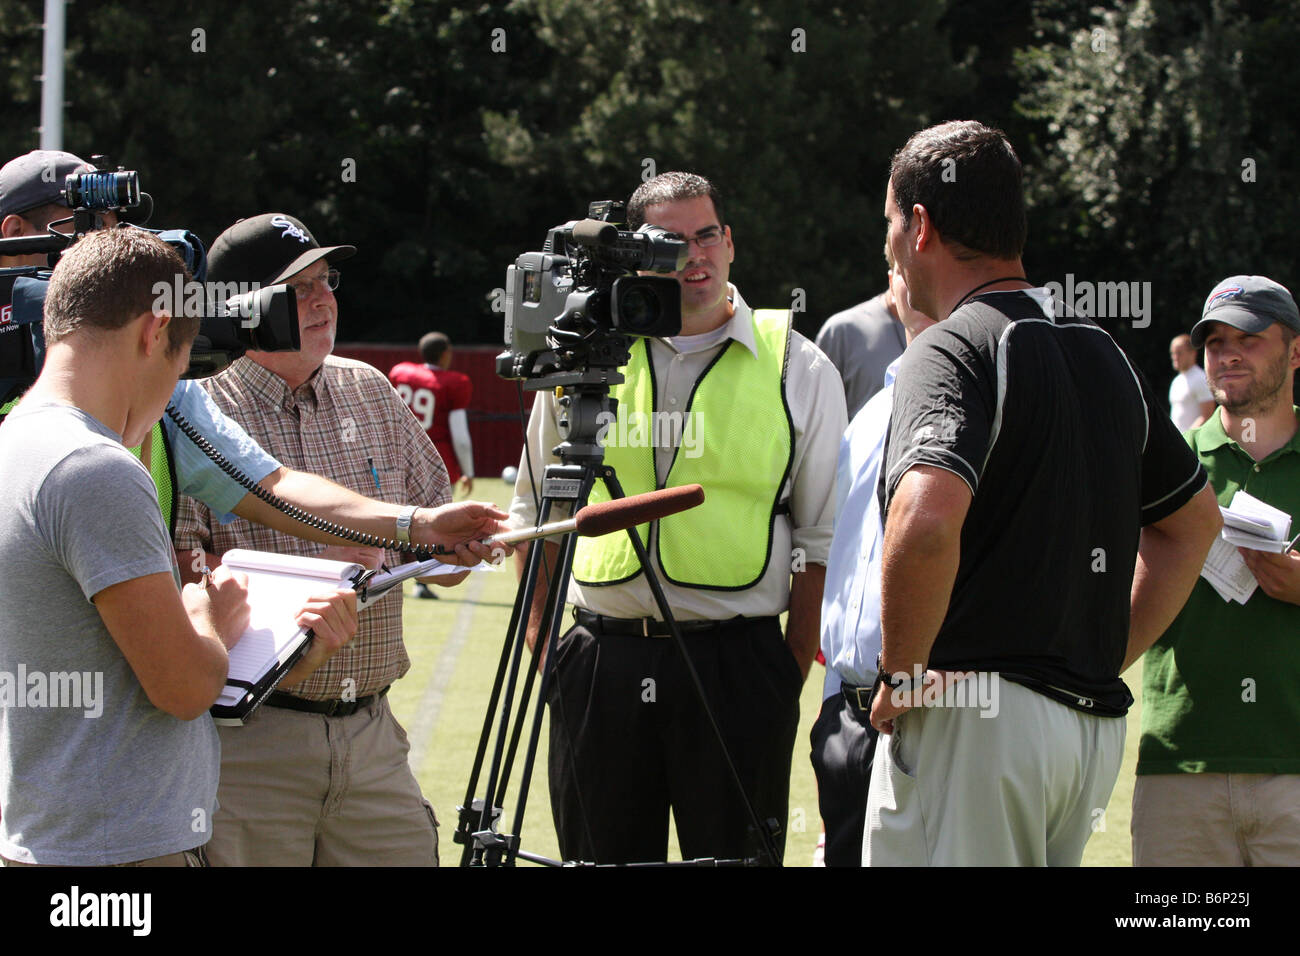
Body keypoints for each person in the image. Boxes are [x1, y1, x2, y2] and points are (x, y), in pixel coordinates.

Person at [864, 120, 1222, 866]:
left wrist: (901, 671)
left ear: (921, 227)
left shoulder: (952, 345)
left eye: (892, 223)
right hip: (1084, 738)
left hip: (975, 725)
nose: (889, 244)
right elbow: (1193, 523)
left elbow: (926, 521)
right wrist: (1103, 651)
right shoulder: (1106, 353)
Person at [510, 171, 845, 864]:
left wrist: (786, 668)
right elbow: (535, 506)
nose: (694, 255)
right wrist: (546, 649)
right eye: (670, 242)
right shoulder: (583, 357)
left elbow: (821, 537)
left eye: (707, 235)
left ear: (731, 244)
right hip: (600, 658)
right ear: (635, 257)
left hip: (737, 664)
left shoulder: (799, 367)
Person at [0, 228, 356, 866]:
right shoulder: (94, 467)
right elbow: (186, 688)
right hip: (119, 851)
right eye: (181, 361)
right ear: (153, 331)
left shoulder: (16, 439)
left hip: (49, 833)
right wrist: (208, 617)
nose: (175, 390)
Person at [173, 212, 508, 866]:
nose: (324, 298)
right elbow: (182, 578)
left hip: (373, 737)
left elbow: (432, 540)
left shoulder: (371, 390)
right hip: (250, 749)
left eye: (327, 280)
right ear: (245, 309)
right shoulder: (193, 409)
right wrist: (312, 574)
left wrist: (451, 554)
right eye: (299, 287)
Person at [1, 148, 501, 557]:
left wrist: (418, 525)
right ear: (15, 234)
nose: (97, 254)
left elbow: (275, 486)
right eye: (77, 234)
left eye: (111, 234)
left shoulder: (167, 386)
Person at [1133, 276, 1300, 866]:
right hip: (1180, 768)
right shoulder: (1164, 467)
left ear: (1296, 351)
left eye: (1249, 339)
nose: (1227, 354)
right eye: (1215, 342)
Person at [811, 254, 934, 867]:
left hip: (936, 718)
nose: (908, 277)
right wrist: (834, 699)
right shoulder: (870, 413)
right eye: (895, 264)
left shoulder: (995, 398)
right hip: (850, 717)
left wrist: (904, 676)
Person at [814, 244, 907, 418]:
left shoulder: (950, 329)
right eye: (905, 271)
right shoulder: (842, 331)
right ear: (891, 280)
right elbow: (817, 415)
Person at [389, 331, 475, 494]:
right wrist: (468, 472)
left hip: (400, 457)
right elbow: (460, 437)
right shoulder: (455, 382)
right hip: (436, 461)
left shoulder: (401, 373)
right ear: (444, 354)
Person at [1169, 332, 1215, 431]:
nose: (1175, 357)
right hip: (1177, 443)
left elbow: (1207, 416)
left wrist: (1186, 439)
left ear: (1192, 353)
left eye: (1179, 353)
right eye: (1173, 353)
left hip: (1193, 443)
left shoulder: (1201, 378)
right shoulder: (1176, 381)